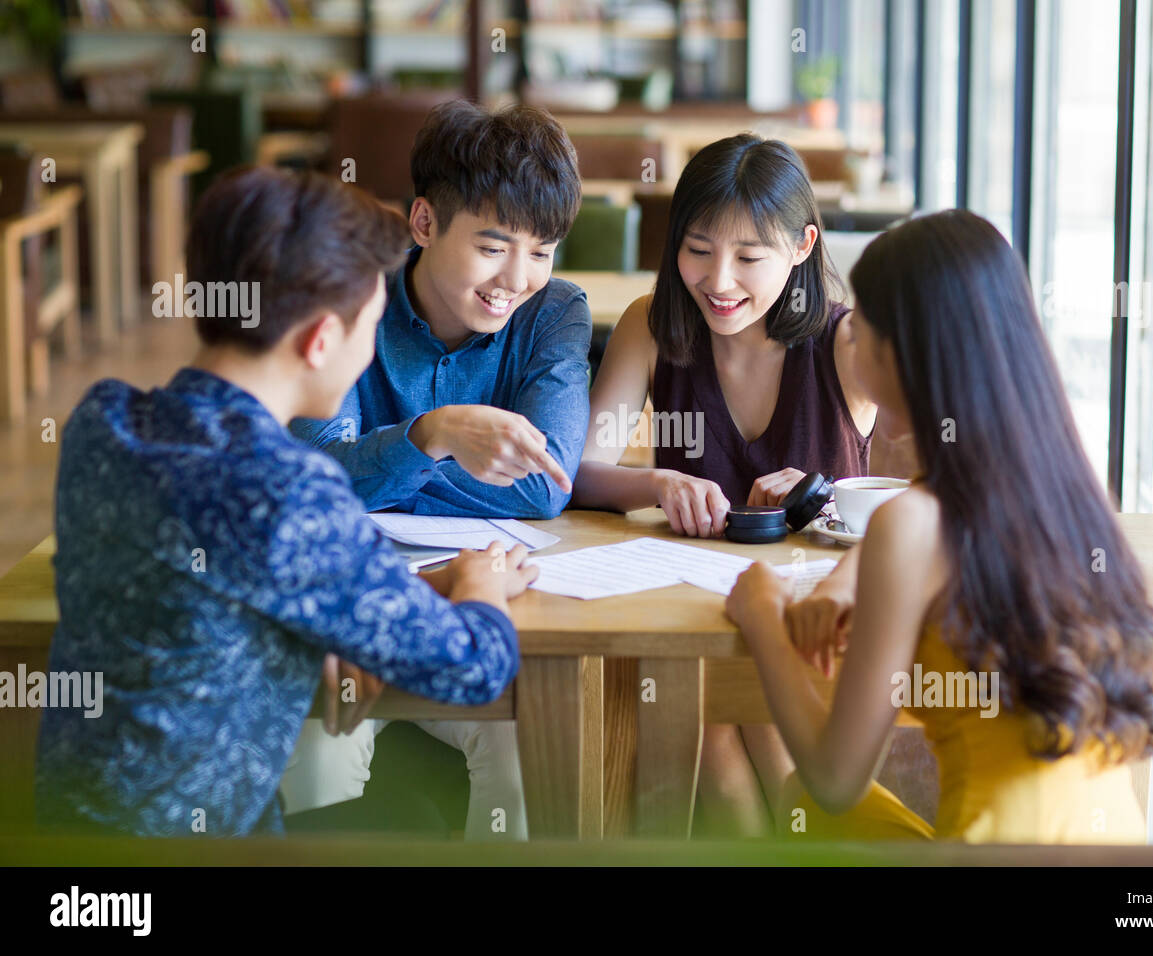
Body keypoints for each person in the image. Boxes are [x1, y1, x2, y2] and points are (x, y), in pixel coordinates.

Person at [36, 166, 536, 837]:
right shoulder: (287, 490)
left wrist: (322, 621)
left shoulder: (102, 424)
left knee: (404, 814)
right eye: (371, 325)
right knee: (415, 824)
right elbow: (476, 667)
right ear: (321, 340)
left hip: (69, 860)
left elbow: (207, 586)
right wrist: (480, 580)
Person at [725, 209, 1153, 842]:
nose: (847, 339)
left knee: (808, 800)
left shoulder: (910, 522)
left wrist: (761, 612)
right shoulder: (1070, 492)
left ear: (903, 351)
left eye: (861, 325)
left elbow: (836, 779)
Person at [571, 133, 928, 836]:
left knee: (724, 723)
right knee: (713, 723)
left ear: (802, 246)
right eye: (698, 249)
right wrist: (655, 483)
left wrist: (824, 490)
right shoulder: (653, 324)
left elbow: (937, 491)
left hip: (819, 625)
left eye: (749, 257)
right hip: (694, 620)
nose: (719, 280)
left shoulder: (846, 343)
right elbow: (577, 471)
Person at [281, 100, 591, 840]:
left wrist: (382, 460)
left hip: (493, 607)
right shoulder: (354, 294)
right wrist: (430, 436)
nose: (517, 278)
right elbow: (315, 482)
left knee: (526, 757)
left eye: (541, 250)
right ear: (424, 224)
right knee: (314, 753)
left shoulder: (557, 313)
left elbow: (543, 487)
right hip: (352, 611)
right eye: (493, 247)